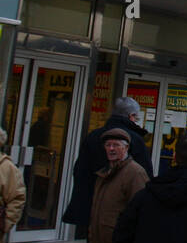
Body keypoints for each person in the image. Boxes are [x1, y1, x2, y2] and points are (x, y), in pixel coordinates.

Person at [63, 97, 153, 230]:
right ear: (131, 116)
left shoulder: (94, 136)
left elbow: (80, 171)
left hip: (92, 208)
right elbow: (145, 177)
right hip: (120, 211)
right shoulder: (136, 140)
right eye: (136, 118)